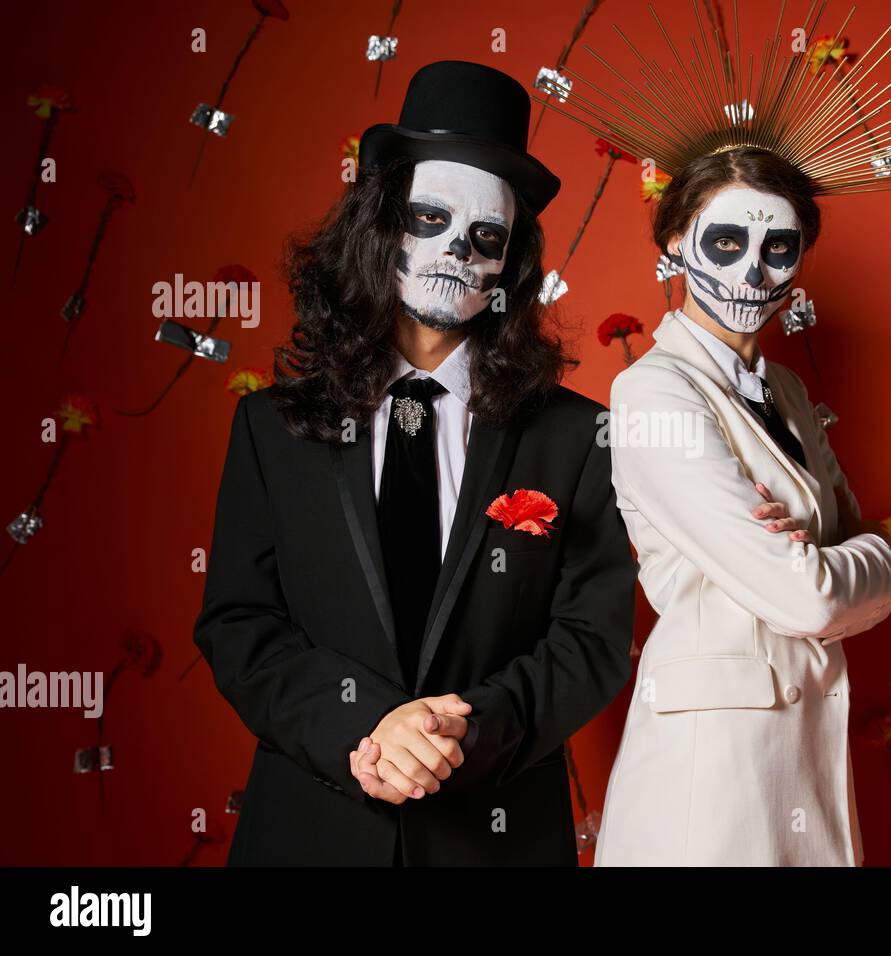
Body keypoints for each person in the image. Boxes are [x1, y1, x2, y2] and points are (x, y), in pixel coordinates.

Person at [194, 60, 636, 866]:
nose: (456, 254)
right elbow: (240, 624)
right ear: (382, 222)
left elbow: (591, 639)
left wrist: (461, 733)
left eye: (487, 238)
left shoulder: (577, 438)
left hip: (495, 837)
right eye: (430, 218)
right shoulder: (271, 427)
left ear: (511, 264)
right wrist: (365, 728)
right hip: (310, 833)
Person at [594, 146, 891, 866]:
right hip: (713, 782)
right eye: (727, 242)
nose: (751, 271)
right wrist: (854, 561)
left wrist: (857, 554)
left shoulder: (789, 394)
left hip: (799, 760)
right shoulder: (654, 392)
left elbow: (862, 553)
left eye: (778, 247)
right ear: (675, 244)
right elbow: (810, 601)